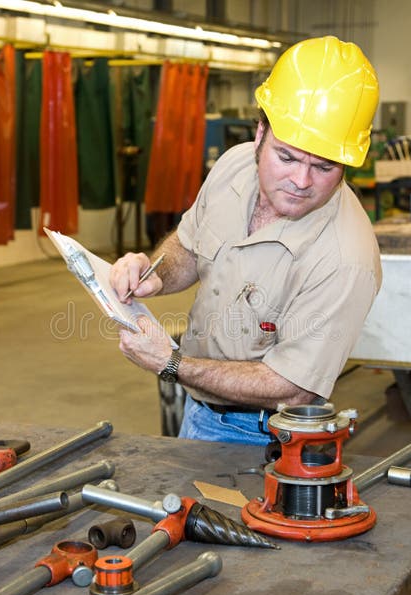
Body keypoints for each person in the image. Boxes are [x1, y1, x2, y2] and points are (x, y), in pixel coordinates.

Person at [109, 36, 382, 445]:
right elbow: (188, 246)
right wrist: (152, 274)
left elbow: (293, 386)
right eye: (287, 157)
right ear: (259, 134)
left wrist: (172, 364)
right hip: (197, 410)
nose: (301, 181)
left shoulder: (347, 257)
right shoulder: (235, 165)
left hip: (266, 438)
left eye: (324, 167)